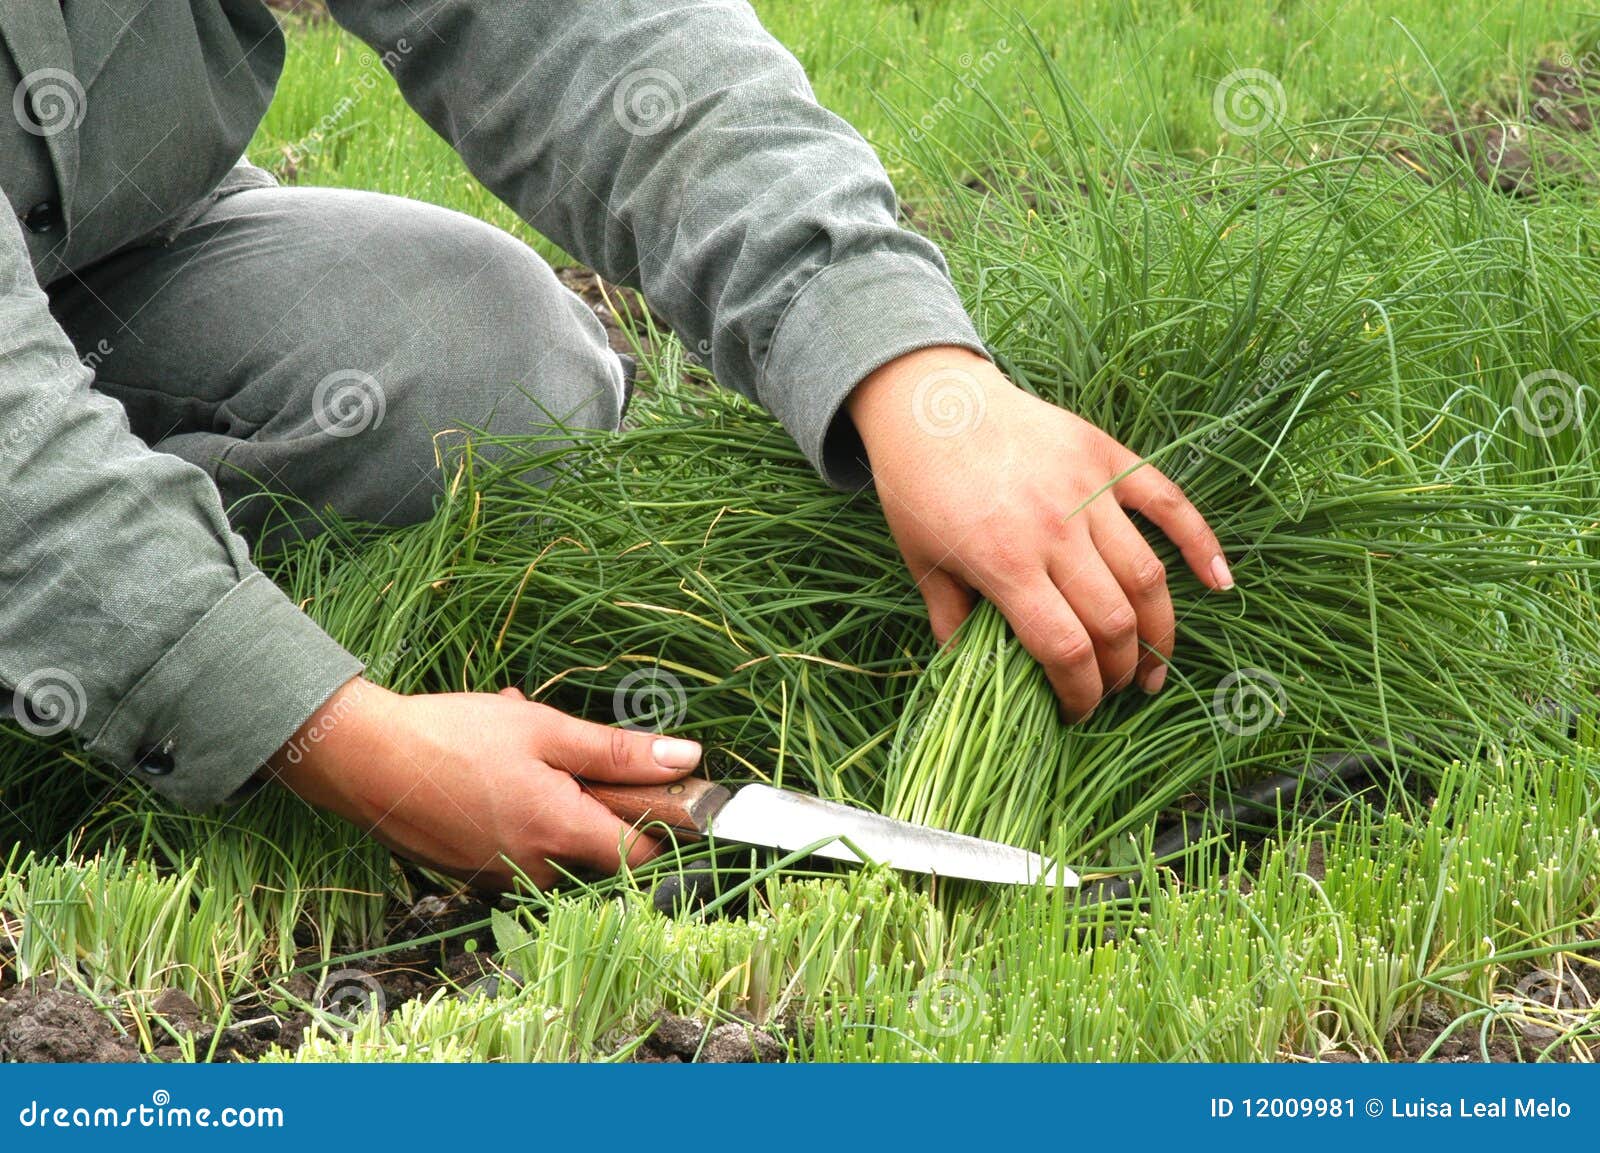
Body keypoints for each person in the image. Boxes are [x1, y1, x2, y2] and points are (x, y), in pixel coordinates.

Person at [0, 1, 1230, 890]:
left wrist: (908, 375)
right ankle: (97, 690)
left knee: (482, 366)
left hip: (90, 258)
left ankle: (112, 634)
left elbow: (570, 28)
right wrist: (342, 740)